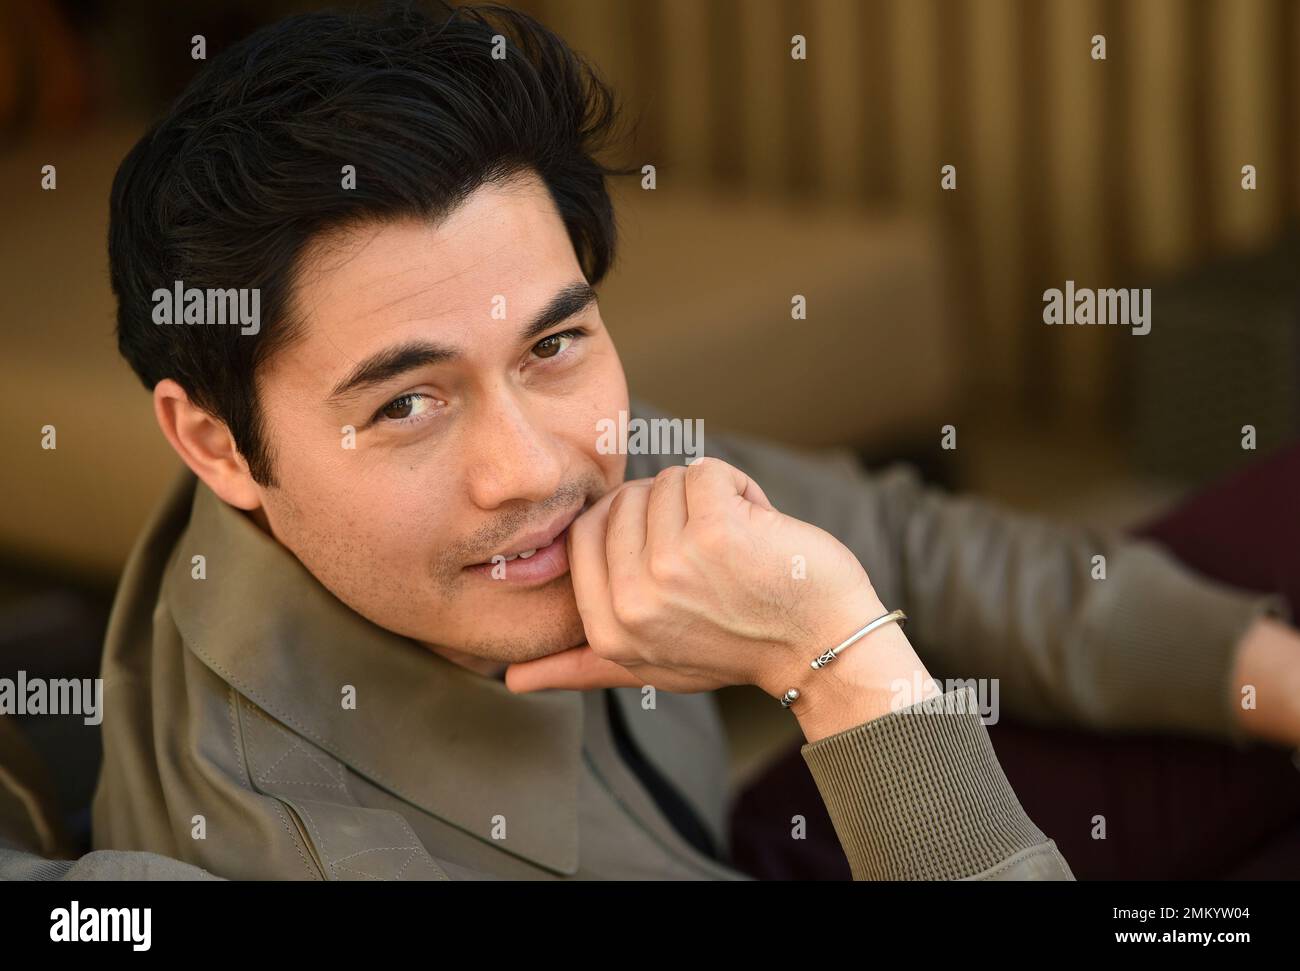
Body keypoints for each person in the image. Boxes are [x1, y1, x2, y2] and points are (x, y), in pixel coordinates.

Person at [78, 2, 1298, 882]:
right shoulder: (319, 849)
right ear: (217, 442)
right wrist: (840, 663)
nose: (537, 467)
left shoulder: (557, 429)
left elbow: (906, 544)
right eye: (406, 404)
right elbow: (860, 613)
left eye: (553, 343)